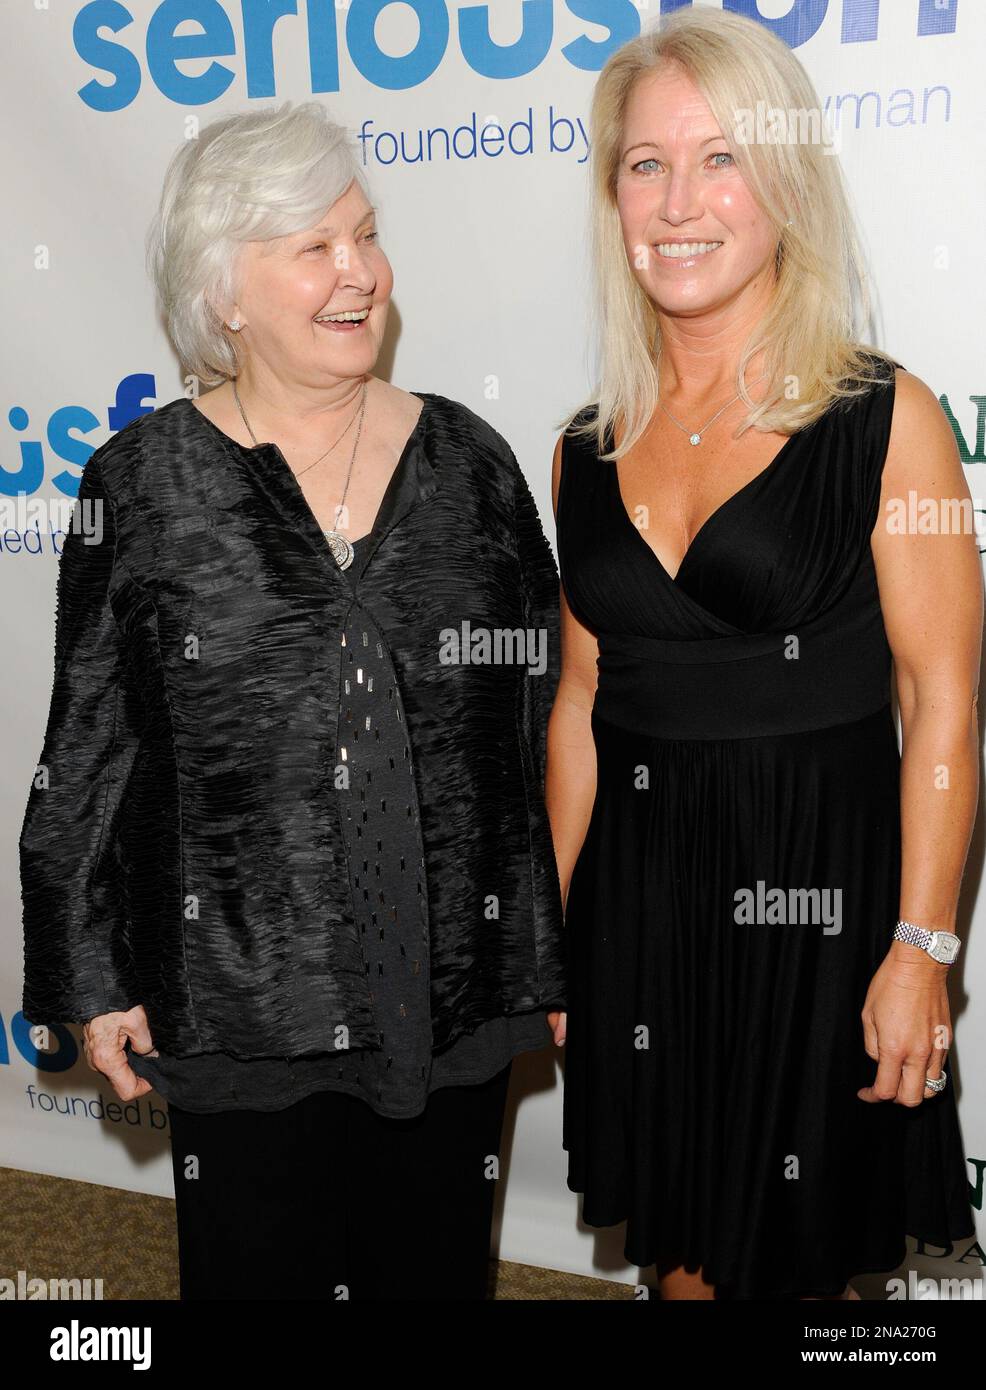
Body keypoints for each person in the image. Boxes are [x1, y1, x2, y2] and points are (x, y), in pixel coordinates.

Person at [19, 101, 566, 1301]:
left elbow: (543, 730)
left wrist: (563, 953)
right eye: (312, 248)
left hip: (449, 985)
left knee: (430, 1277)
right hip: (235, 991)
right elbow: (87, 752)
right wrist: (90, 971)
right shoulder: (143, 483)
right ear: (224, 291)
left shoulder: (471, 463)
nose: (359, 273)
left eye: (364, 236)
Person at [546, 8, 980, 1301]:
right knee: (681, 1258)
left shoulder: (882, 419)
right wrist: (567, 938)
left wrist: (921, 948)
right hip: (643, 907)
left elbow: (942, 701)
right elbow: (578, 703)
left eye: (721, 158)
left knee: (802, 1270)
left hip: (819, 906)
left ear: (783, 183)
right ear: (612, 196)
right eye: (645, 165)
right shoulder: (584, 441)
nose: (679, 202)